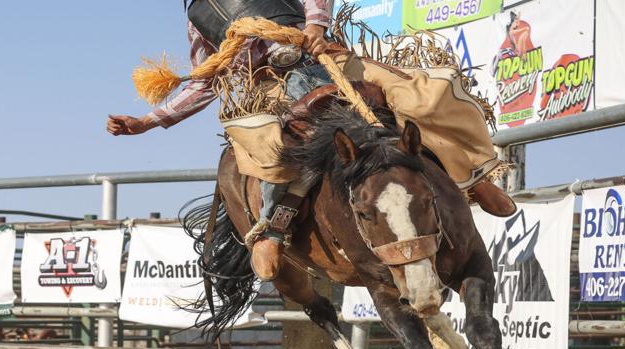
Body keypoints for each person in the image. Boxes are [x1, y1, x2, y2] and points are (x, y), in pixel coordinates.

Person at [107, 0, 515, 281]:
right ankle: (272, 230)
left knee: (424, 94)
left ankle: (471, 176)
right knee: (268, 148)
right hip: (266, 86)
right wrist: (149, 120)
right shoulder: (198, 14)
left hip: (324, 55)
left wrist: (316, 27)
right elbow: (208, 78)